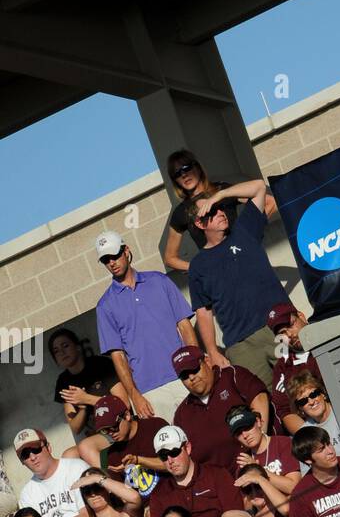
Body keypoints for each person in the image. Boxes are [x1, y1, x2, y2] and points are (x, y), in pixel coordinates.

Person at [186, 177, 285, 382]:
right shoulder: (197, 266)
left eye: (220, 207)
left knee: (302, 385)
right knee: (265, 404)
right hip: (241, 347)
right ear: (199, 222)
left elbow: (259, 187)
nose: (220, 212)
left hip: (276, 328)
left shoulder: (245, 229)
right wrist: (212, 352)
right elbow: (203, 312)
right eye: (212, 210)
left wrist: (219, 195)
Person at [94, 230, 198, 421]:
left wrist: (196, 365)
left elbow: (184, 326)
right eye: (106, 259)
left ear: (126, 251)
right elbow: (118, 357)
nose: (112, 262)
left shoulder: (159, 281)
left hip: (185, 375)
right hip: (149, 391)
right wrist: (134, 395)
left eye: (115, 255)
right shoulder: (105, 306)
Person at [144, 425, 247, 517]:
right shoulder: (159, 494)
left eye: (174, 452)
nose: (170, 460)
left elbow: (236, 514)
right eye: (163, 456)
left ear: (187, 448)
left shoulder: (216, 474)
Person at [170, 345, 270, 475]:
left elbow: (260, 400)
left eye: (194, 369)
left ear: (207, 362)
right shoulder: (182, 414)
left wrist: (259, 450)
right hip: (221, 485)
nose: (191, 377)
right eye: (184, 376)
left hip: (261, 463)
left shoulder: (232, 376)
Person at [163, 148, 262, 273]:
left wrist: (253, 235)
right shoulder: (181, 212)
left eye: (186, 167)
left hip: (247, 262)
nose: (183, 174)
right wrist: (199, 268)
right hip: (219, 275)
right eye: (177, 173)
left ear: (197, 167)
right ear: (175, 180)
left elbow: (267, 201)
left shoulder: (222, 190)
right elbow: (169, 258)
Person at [49, 326, 126, 441]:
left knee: (86, 447)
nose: (62, 352)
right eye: (56, 351)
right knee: (69, 454)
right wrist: (83, 408)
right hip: (97, 435)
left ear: (78, 347)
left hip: (120, 425)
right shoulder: (63, 381)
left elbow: (124, 403)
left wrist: (86, 398)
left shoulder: (101, 364)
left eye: (65, 346)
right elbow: (75, 428)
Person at [13, 428, 89, 517]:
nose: (33, 457)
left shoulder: (76, 468)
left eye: (36, 449)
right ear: (22, 462)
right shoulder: (27, 493)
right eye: (25, 454)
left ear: (48, 447)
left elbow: (87, 516)